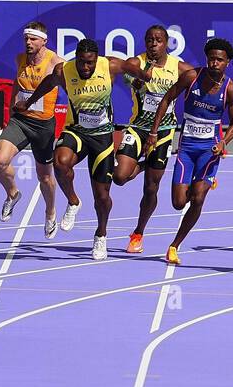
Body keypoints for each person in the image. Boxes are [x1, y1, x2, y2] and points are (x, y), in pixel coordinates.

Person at [22, 39, 152, 259]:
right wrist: (27, 103)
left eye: (90, 63)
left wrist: (144, 76)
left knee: (101, 197)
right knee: (60, 162)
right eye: (81, 62)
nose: (85, 67)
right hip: (77, 130)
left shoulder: (109, 66)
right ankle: (73, 201)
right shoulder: (65, 70)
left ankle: (101, 235)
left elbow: (131, 68)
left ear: (97, 60)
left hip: (102, 137)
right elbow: (47, 83)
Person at [148, 38, 233, 265]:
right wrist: (153, 131)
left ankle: (174, 245)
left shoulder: (231, 90)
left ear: (227, 62)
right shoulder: (192, 77)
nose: (214, 63)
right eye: (211, 59)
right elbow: (167, 99)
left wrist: (224, 143)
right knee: (178, 203)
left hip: (209, 151)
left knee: (198, 198)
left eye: (219, 60)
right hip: (187, 149)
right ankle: (202, 182)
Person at [112, 25, 196, 255]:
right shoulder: (135, 63)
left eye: (158, 40)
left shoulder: (179, 68)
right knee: (119, 177)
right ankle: (145, 164)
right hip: (138, 127)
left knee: (151, 188)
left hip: (165, 131)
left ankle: (138, 233)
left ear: (166, 43)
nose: (153, 44)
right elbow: (136, 80)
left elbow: (200, 80)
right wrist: (143, 71)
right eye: (149, 40)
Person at [0, 22, 62, 233]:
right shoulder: (20, 59)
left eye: (33, 39)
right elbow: (17, 84)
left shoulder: (56, 63)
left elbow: (73, 87)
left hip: (43, 125)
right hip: (21, 120)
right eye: (26, 39)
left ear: (44, 41)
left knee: (45, 177)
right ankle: (13, 194)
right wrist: (11, 111)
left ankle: (50, 212)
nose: (28, 43)